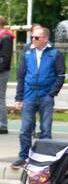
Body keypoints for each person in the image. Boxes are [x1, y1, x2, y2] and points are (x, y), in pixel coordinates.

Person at [12, 24, 66, 169]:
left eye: (36, 37)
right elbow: (21, 76)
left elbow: (60, 75)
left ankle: (44, 160)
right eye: (32, 37)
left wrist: (51, 94)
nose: (33, 40)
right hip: (29, 95)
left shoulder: (55, 54)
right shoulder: (27, 54)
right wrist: (19, 98)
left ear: (45, 38)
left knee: (45, 130)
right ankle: (24, 157)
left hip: (45, 95)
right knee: (25, 129)